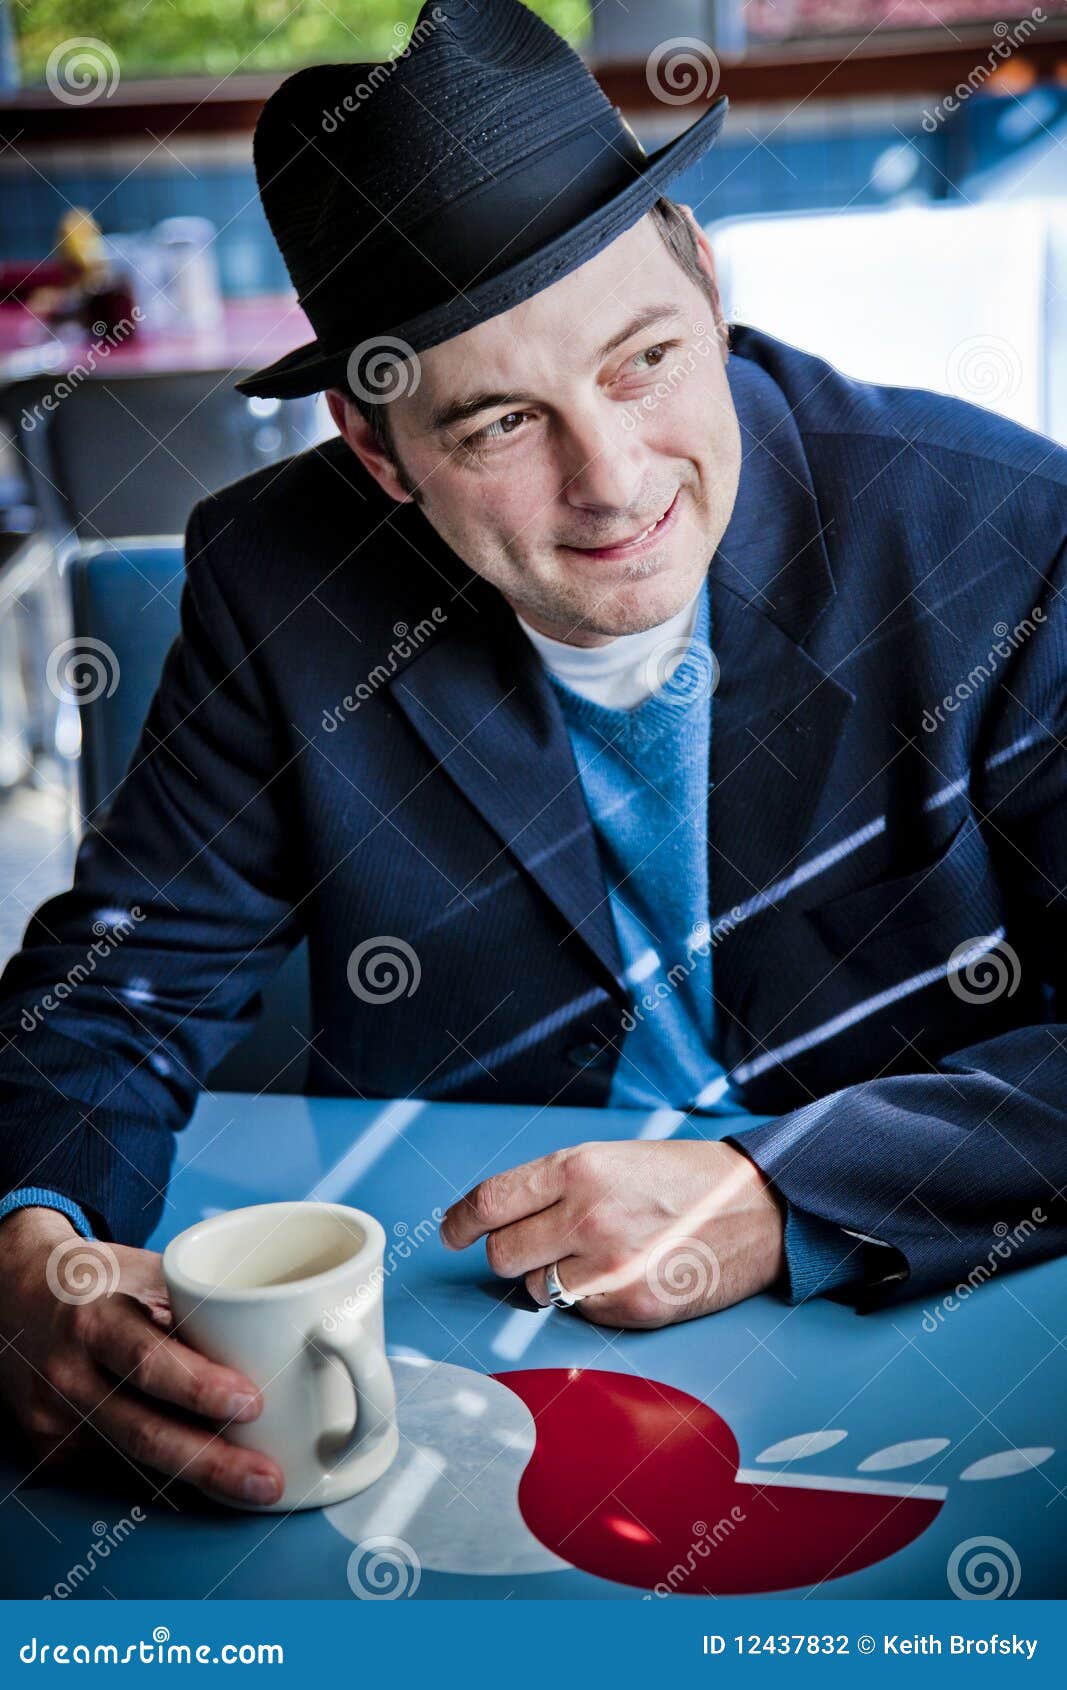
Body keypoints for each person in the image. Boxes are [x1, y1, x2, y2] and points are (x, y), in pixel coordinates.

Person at [1, 0, 1064, 1514]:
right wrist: (28, 1238)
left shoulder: (1007, 536)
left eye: (644, 361)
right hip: (448, 1360)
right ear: (377, 450)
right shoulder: (279, 583)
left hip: (923, 1330)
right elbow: (117, 986)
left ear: (708, 284)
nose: (612, 482)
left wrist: (784, 1188)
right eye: (500, 422)